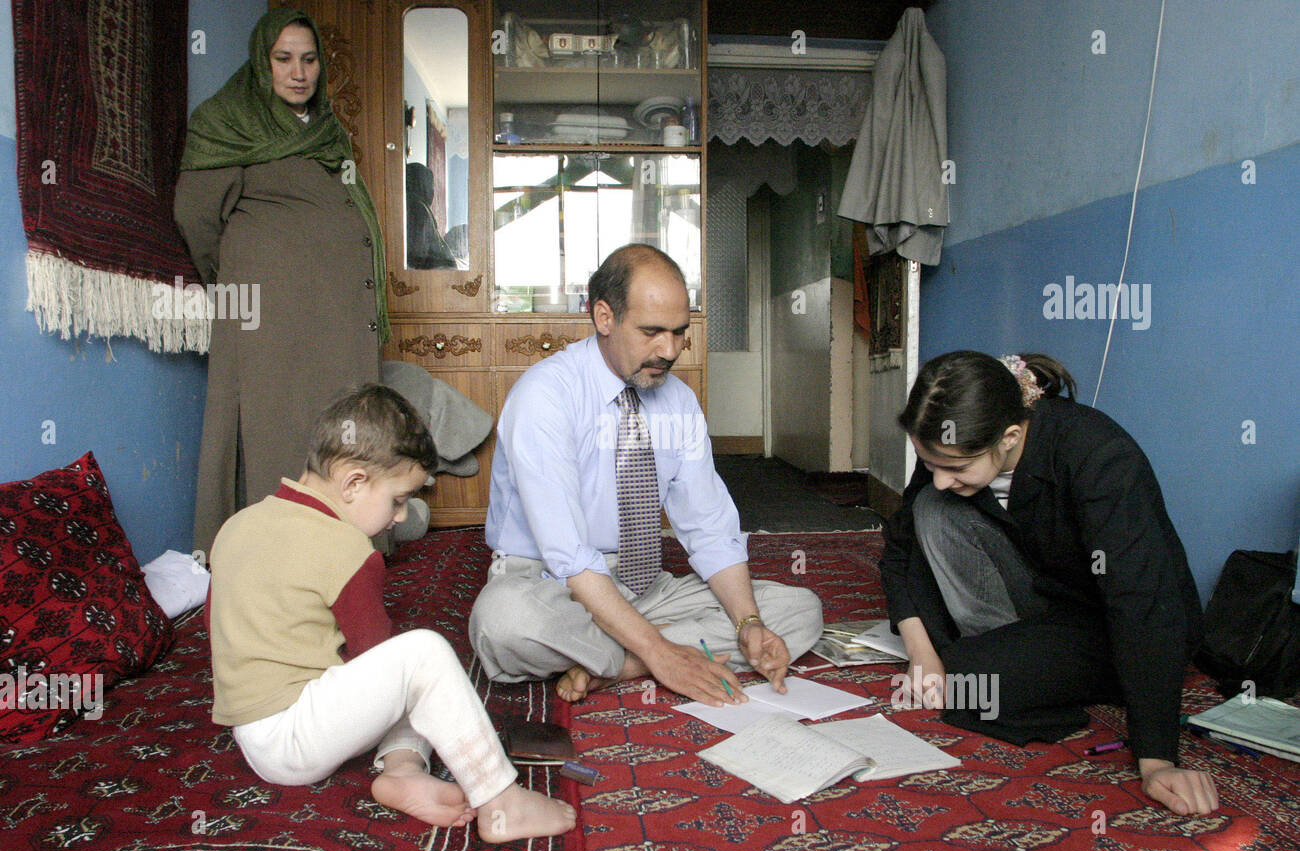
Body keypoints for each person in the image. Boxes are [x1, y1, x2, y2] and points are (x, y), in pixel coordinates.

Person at [206, 384, 575, 840]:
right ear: (353, 482)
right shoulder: (345, 548)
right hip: (295, 738)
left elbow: (222, 626)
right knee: (424, 656)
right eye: (398, 499)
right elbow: (375, 651)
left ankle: (401, 770)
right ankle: (501, 801)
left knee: (408, 674)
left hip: (253, 736)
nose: (400, 516)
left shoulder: (239, 524)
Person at [469, 245, 823, 706]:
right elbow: (569, 556)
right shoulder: (544, 396)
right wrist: (662, 651)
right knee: (502, 623)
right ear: (604, 317)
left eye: (679, 332)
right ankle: (653, 652)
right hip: (551, 585)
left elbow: (709, 528)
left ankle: (616, 664)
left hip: (644, 586)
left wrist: (748, 623)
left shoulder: (678, 401)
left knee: (799, 613)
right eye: (652, 332)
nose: (670, 350)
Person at [881, 350, 1218, 816]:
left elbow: (1143, 601)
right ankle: (1011, 655)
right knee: (929, 511)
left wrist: (1157, 758)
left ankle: (1051, 669)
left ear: (1011, 435)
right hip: (1040, 588)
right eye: (930, 463)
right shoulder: (950, 443)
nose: (938, 478)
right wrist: (921, 654)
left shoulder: (1099, 455)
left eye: (955, 468)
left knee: (969, 680)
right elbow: (900, 548)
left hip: (1106, 619)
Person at [176, 8, 389, 557]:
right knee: (275, 434)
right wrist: (249, 287)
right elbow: (196, 222)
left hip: (333, 319)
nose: (299, 72)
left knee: (339, 432)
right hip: (268, 321)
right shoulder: (226, 122)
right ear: (261, 61)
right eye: (284, 59)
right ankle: (272, 556)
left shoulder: (325, 130)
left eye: (310, 59)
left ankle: (339, 551)